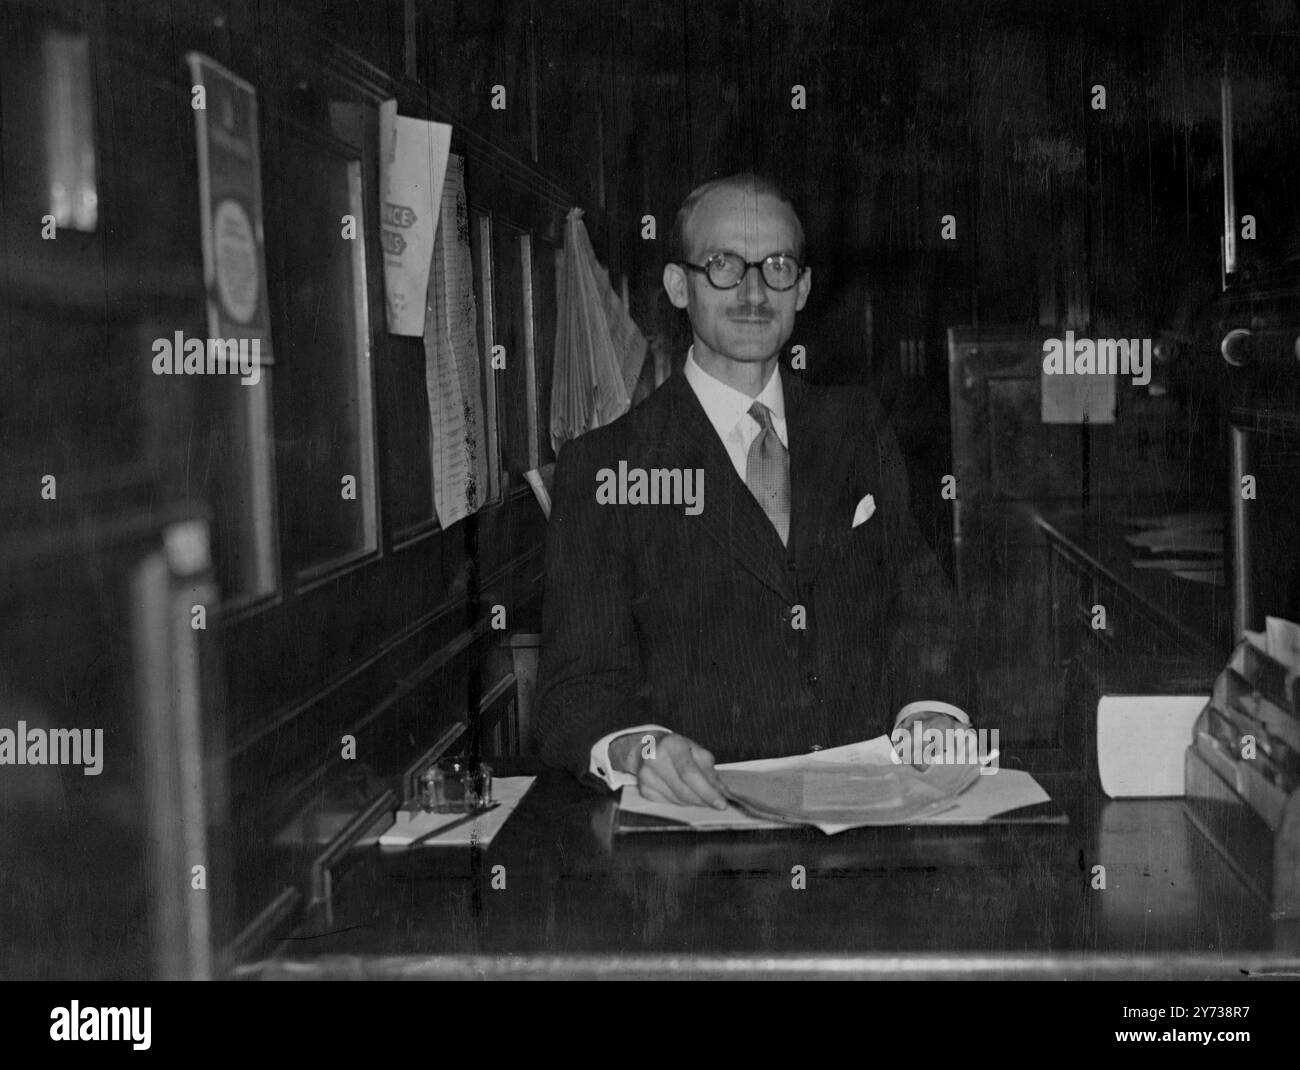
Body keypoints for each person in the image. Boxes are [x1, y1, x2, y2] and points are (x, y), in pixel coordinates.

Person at [535, 172, 971, 808]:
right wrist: (642, 747)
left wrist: (930, 711)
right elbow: (575, 688)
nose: (753, 290)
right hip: (705, 826)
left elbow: (917, 600)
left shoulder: (857, 426)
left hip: (872, 816)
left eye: (777, 266)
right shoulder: (607, 466)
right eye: (722, 264)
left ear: (804, 288)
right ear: (678, 286)